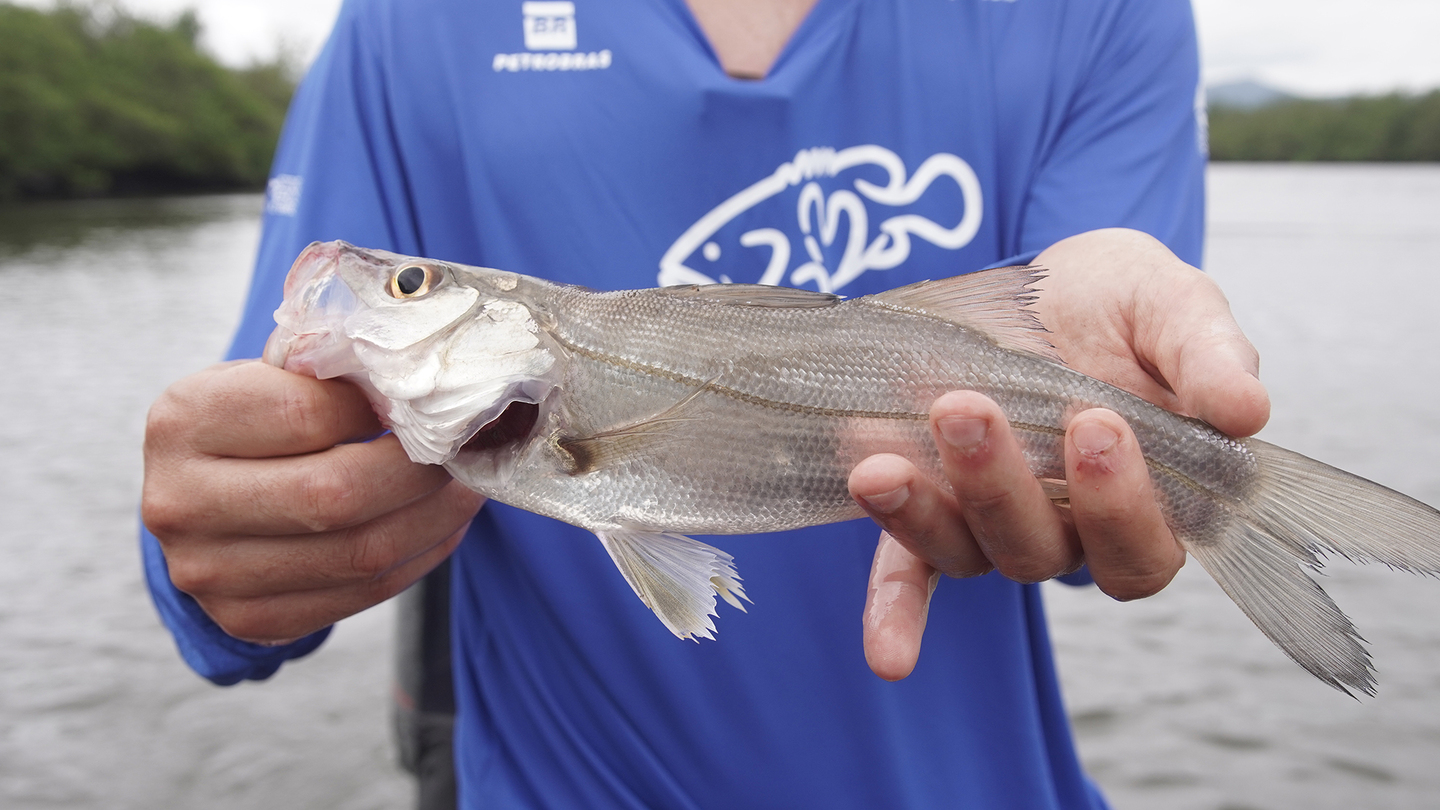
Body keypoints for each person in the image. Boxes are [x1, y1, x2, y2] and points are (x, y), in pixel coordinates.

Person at [140, 0, 1268, 806]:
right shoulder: (406, 28)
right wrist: (217, 552)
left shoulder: (1104, 14)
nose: (387, 290)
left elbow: (1095, 529)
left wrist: (1144, 470)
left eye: (410, 282)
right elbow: (237, 499)